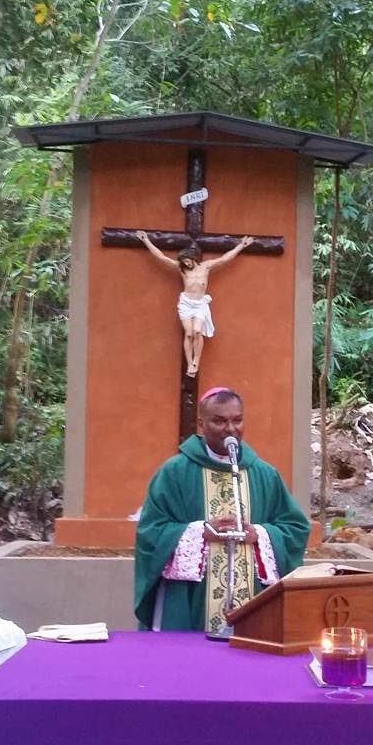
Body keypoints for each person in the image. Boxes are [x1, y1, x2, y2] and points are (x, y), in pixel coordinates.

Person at [134, 387, 310, 634]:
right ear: (201, 424)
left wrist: (259, 534)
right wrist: (199, 532)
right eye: (219, 421)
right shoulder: (175, 472)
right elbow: (151, 531)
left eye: (237, 420)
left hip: (253, 594)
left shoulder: (264, 474)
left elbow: (295, 528)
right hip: (191, 598)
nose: (230, 429)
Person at [136, 231, 254, 376]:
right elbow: (162, 257)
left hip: (199, 304)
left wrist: (241, 245)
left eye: (187, 261)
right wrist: (146, 240)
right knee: (189, 333)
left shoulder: (206, 267)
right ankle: (190, 363)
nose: (186, 263)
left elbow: (224, 259)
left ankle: (196, 361)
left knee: (198, 331)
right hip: (186, 303)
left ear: (193, 258)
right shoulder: (182, 270)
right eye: (184, 262)